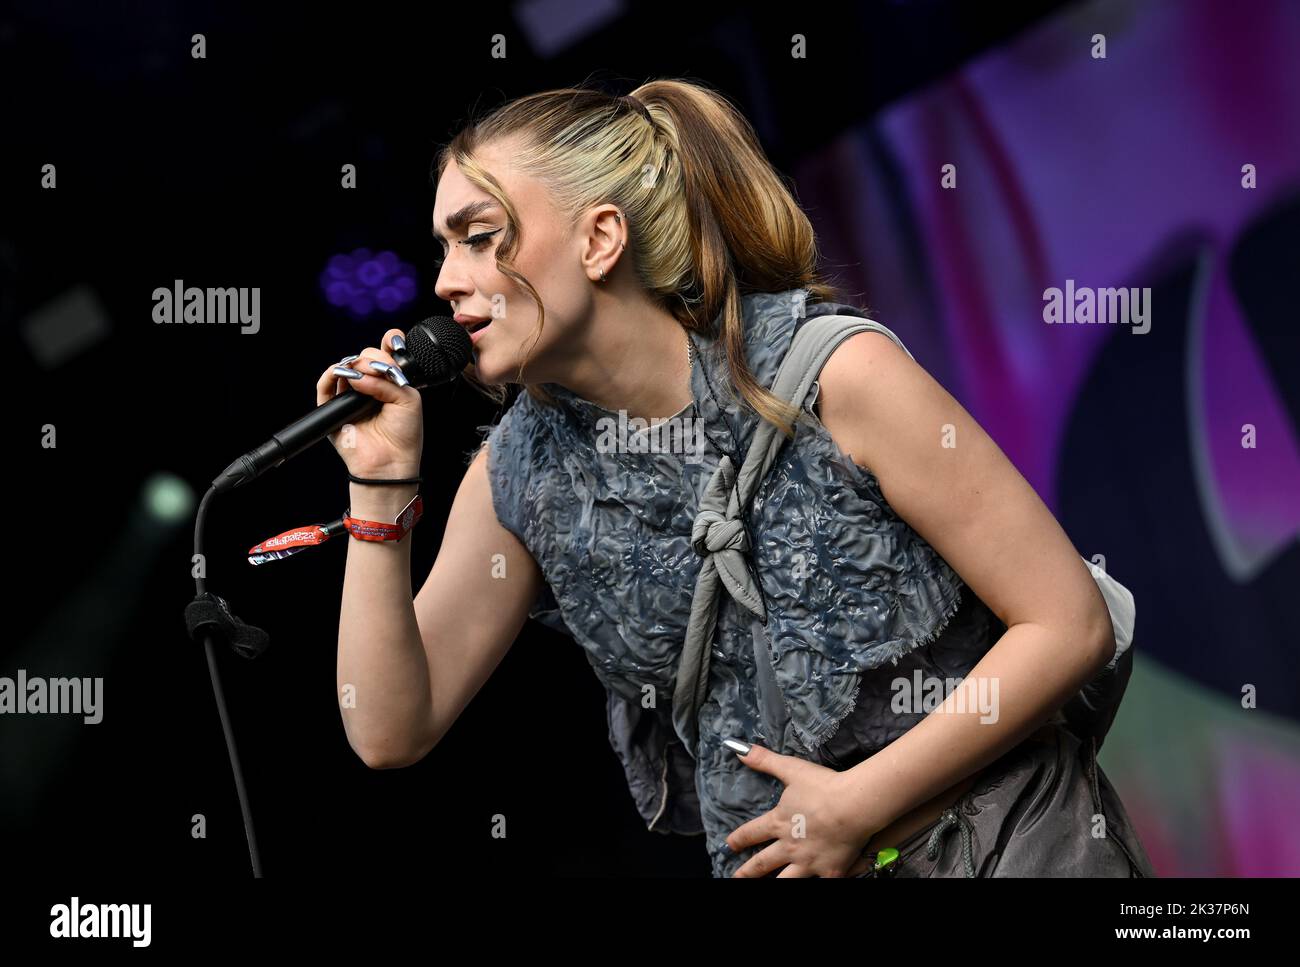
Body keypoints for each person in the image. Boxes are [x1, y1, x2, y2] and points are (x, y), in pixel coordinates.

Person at [317, 79, 1155, 878]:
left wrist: (858, 804)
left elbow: (1066, 625)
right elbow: (390, 725)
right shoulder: (521, 473)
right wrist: (382, 486)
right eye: (443, 247)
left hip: (1009, 846)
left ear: (600, 238)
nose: (446, 281)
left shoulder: (831, 372)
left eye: (479, 236)